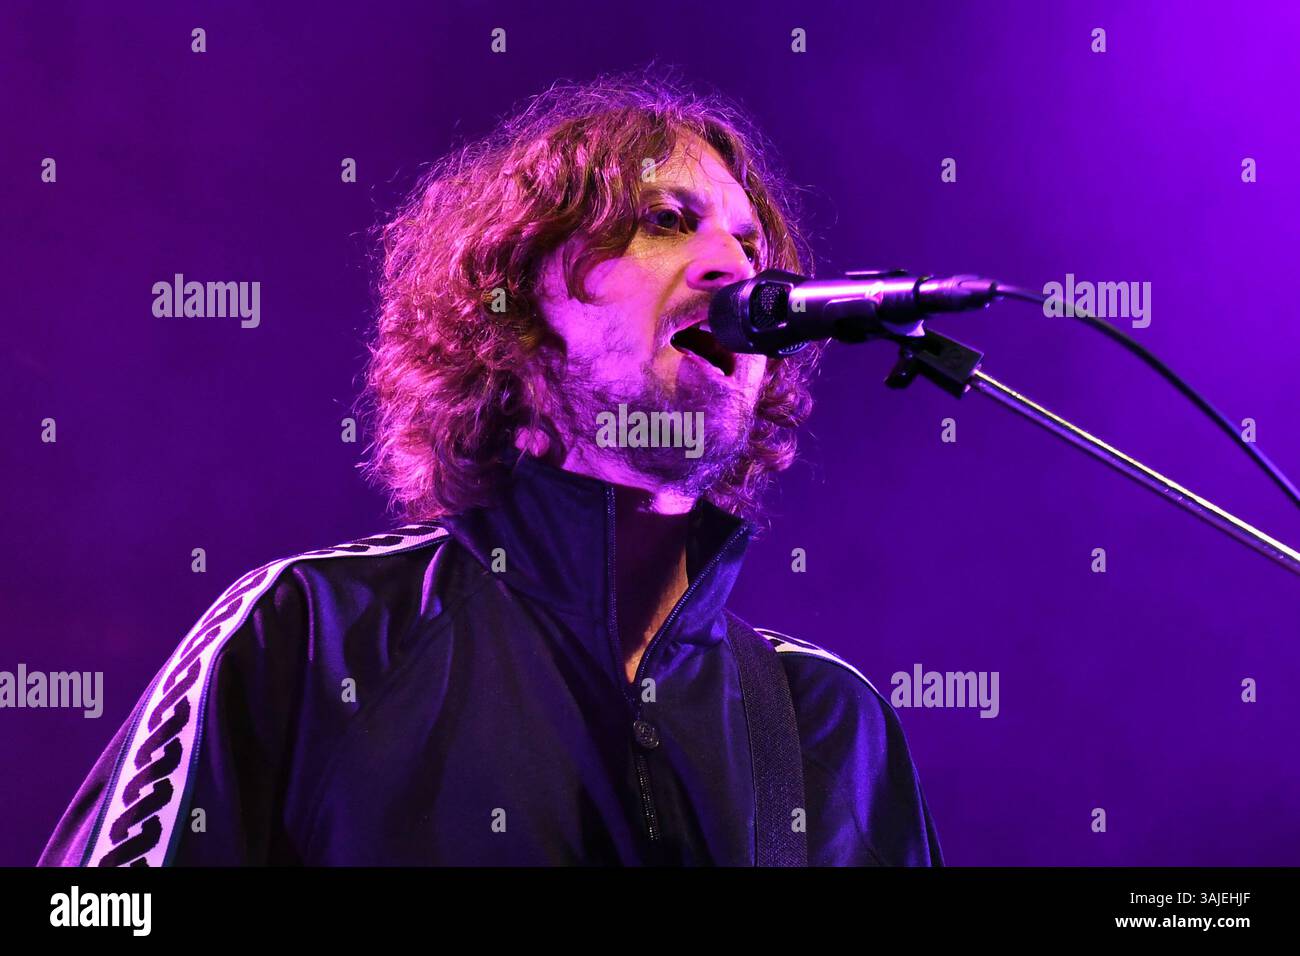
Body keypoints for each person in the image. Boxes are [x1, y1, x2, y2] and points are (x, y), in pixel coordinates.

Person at [38, 68, 943, 866]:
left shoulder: (826, 721)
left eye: (751, 245)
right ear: (515, 301)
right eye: (666, 221)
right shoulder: (312, 635)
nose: (737, 272)